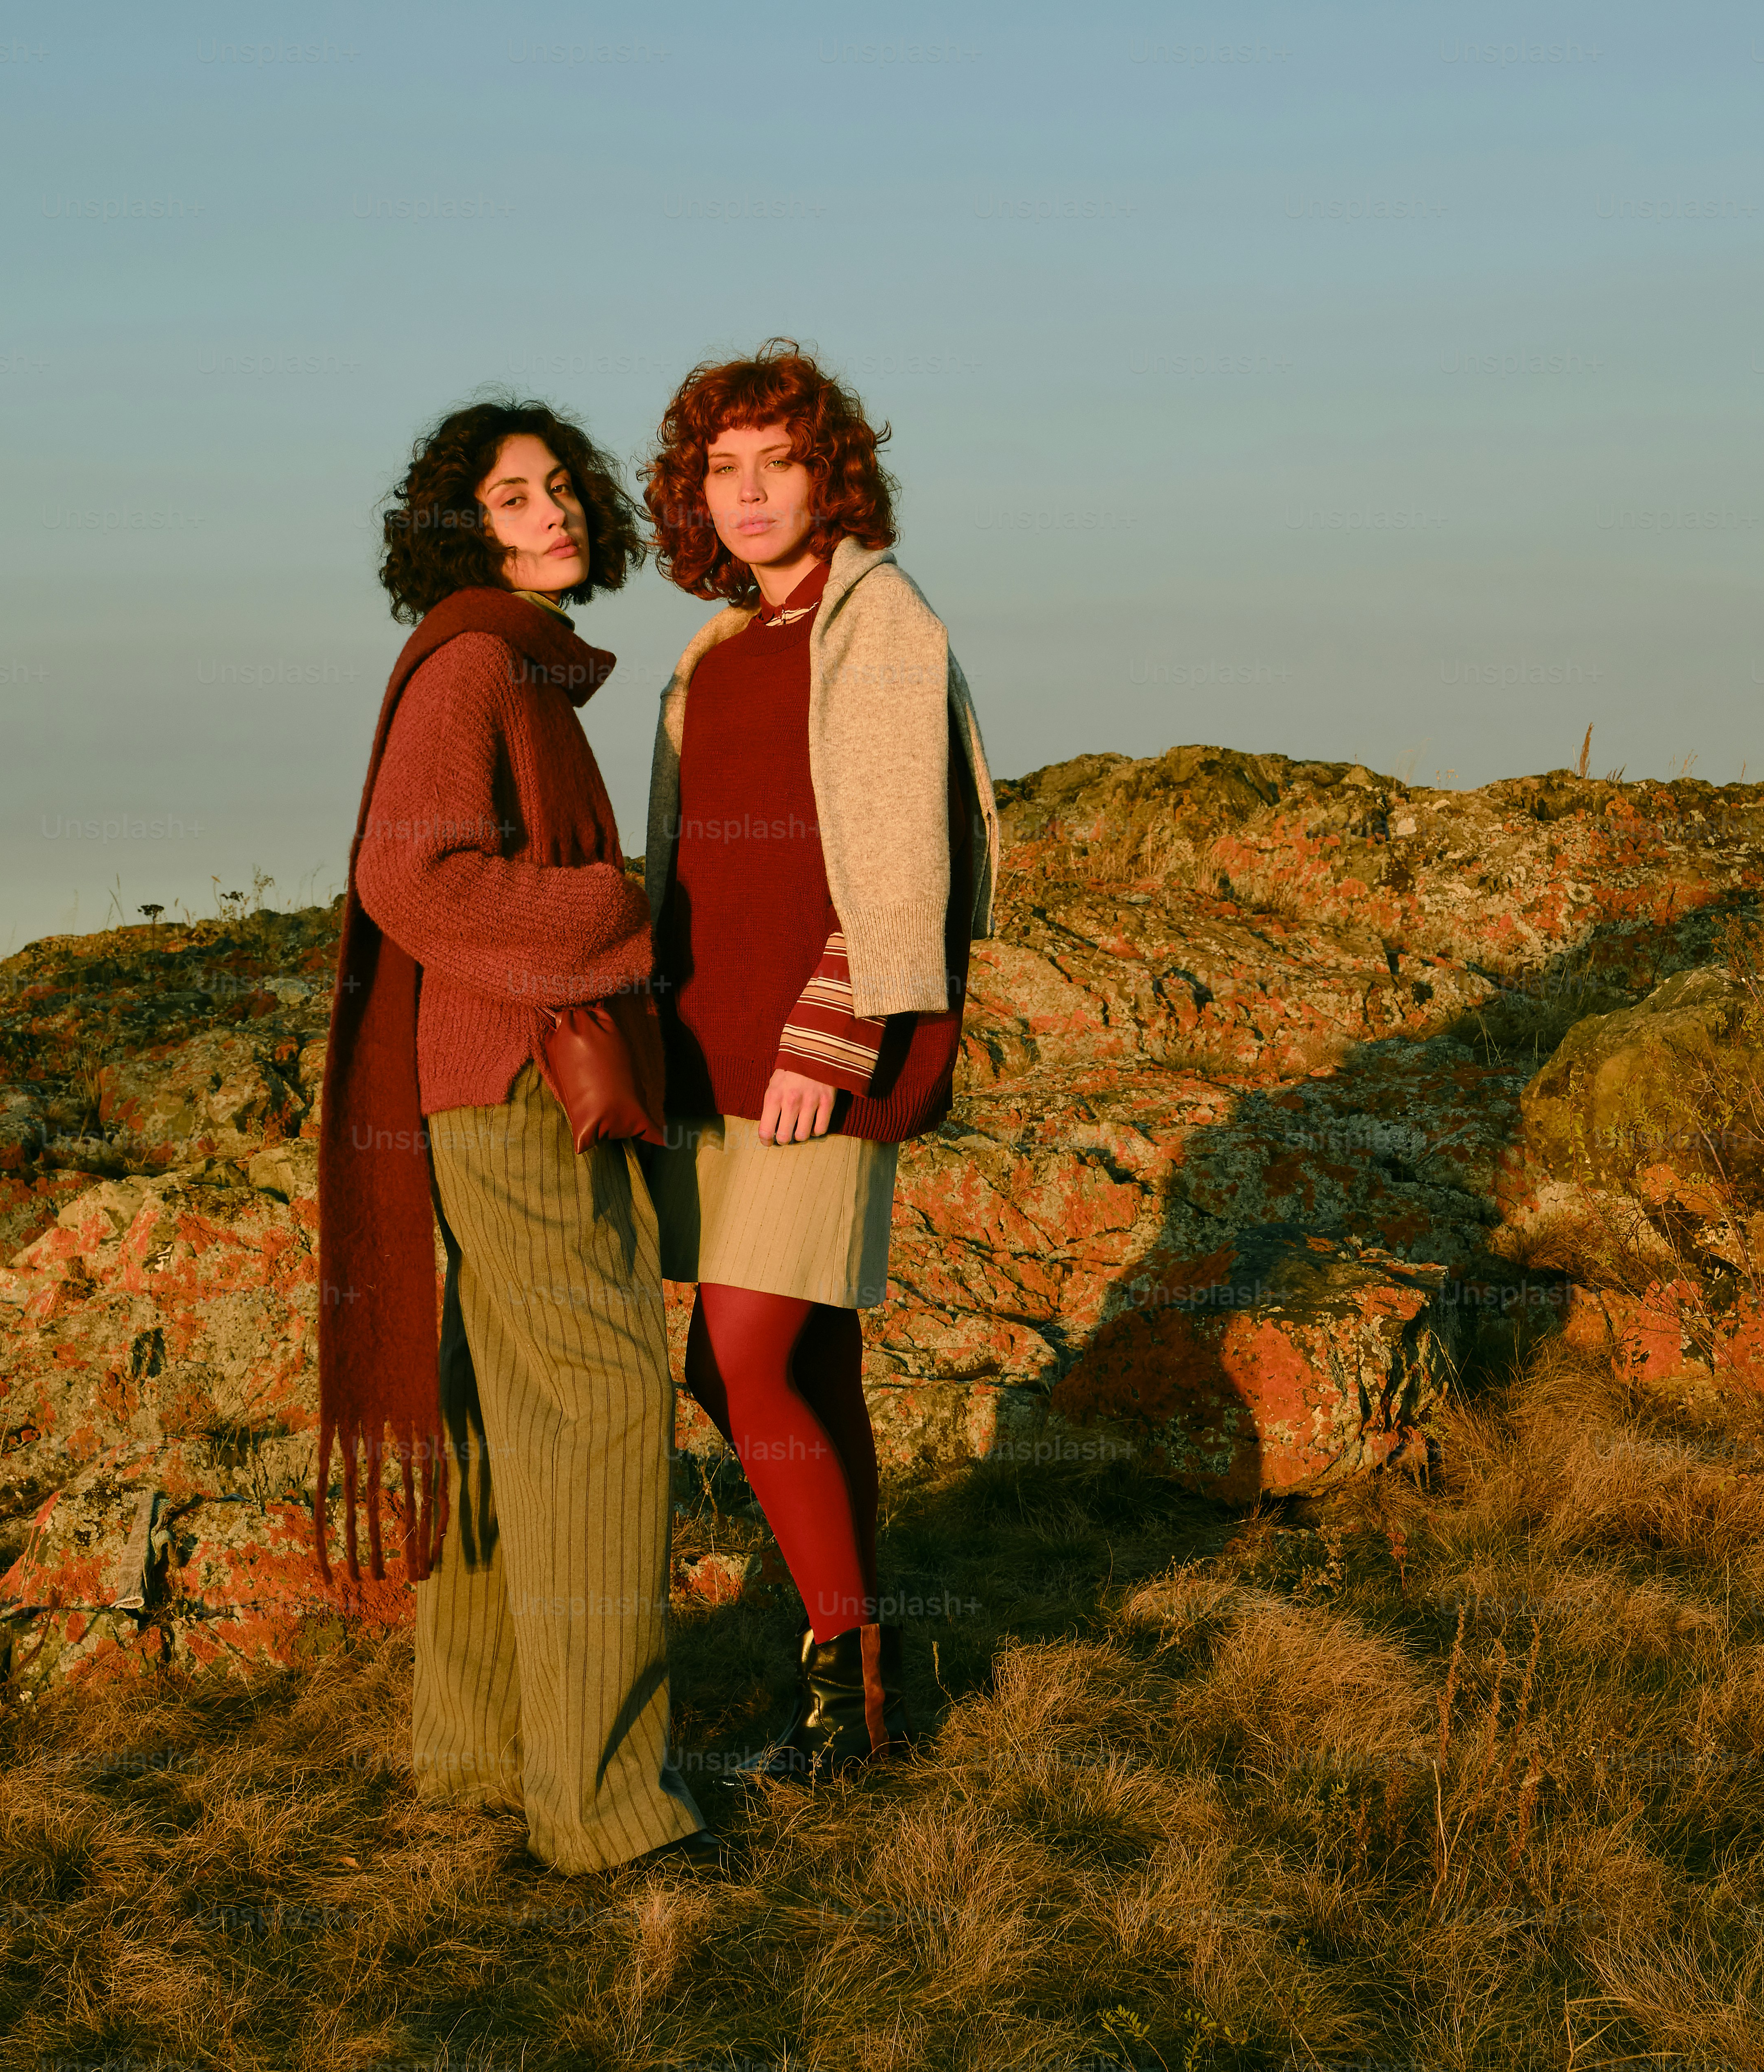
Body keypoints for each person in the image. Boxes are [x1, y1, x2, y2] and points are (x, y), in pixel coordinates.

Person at [316, 397, 707, 1872]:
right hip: (523, 1086)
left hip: (487, 1087)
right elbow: (410, 873)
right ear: (457, 531)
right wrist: (607, 909)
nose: (552, 517)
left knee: (506, 1416)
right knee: (604, 1402)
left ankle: (482, 1752)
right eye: (511, 500)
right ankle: (607, 1810)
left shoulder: (510, 668)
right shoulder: (477, 665)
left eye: (559, 492)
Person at [637, 341, 1001, 1783]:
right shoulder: (717, 646)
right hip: (706, 1051)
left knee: (742, 1357)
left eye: (775, 462)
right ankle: (881, 1665)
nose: (747, 493)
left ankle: (842, 1696)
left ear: (829, 471)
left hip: (810, 1056)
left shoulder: (879, 619)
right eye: (719, 470)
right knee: (800, 1359)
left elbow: (906, 853)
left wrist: (832, 1035)